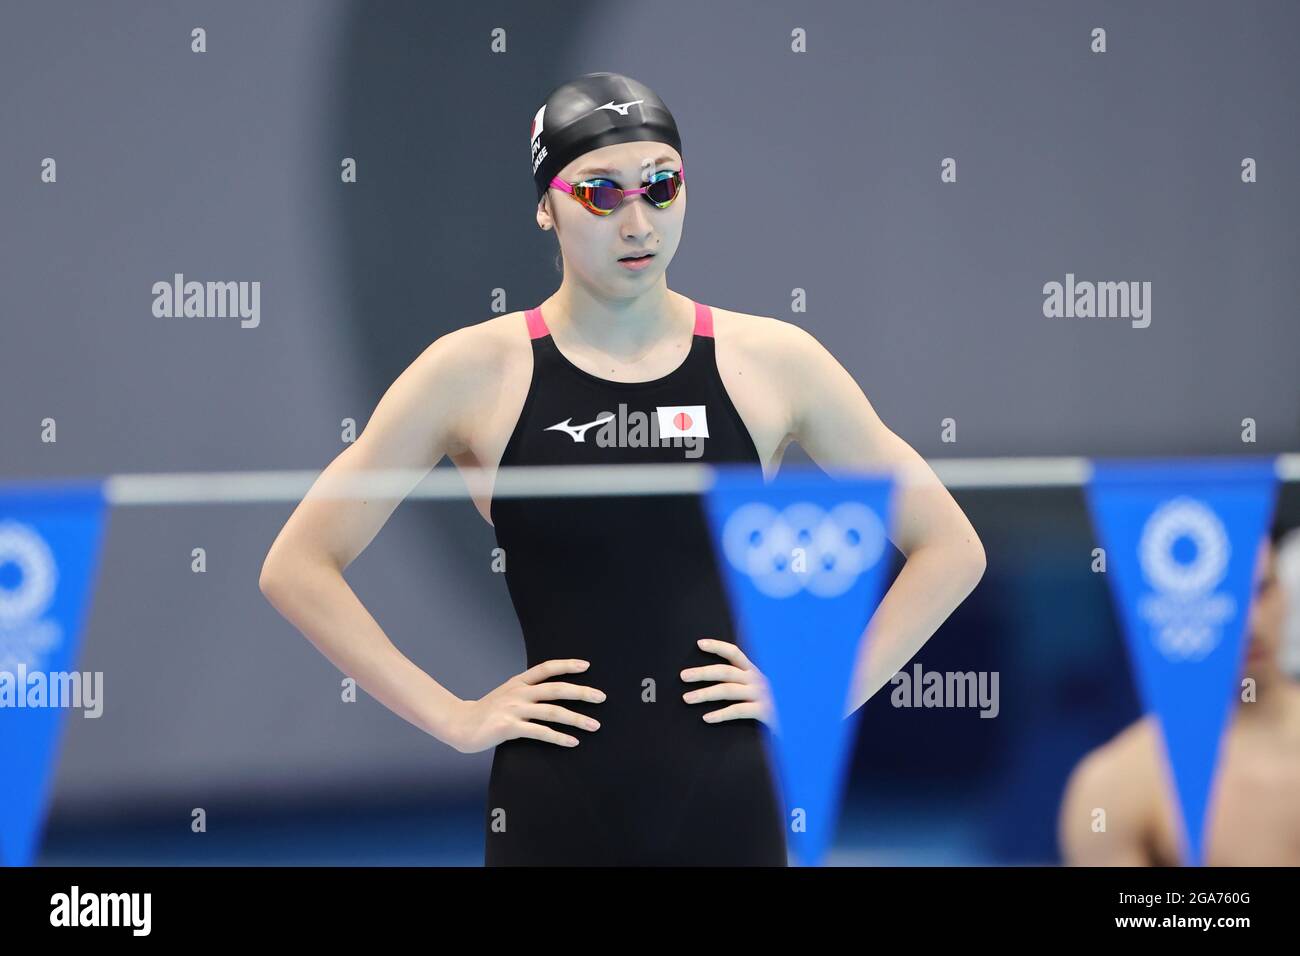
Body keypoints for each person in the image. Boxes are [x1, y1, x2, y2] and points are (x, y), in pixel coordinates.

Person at [259, 72, 986, 866]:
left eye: (661, 187)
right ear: (547, 205)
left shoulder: (775, 363)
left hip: (728, 795)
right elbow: (298, 566)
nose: (639, 222)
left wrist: (820, 696)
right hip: (554, 803)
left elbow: (950, 547)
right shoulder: (472, 372)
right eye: (601, 194)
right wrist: (452, 715)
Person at [1058, 522, 1300, 866]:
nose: (1251, 623)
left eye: (1262, 590)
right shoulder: (1118, 785)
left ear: (1286, 593)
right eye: (1223, 597)